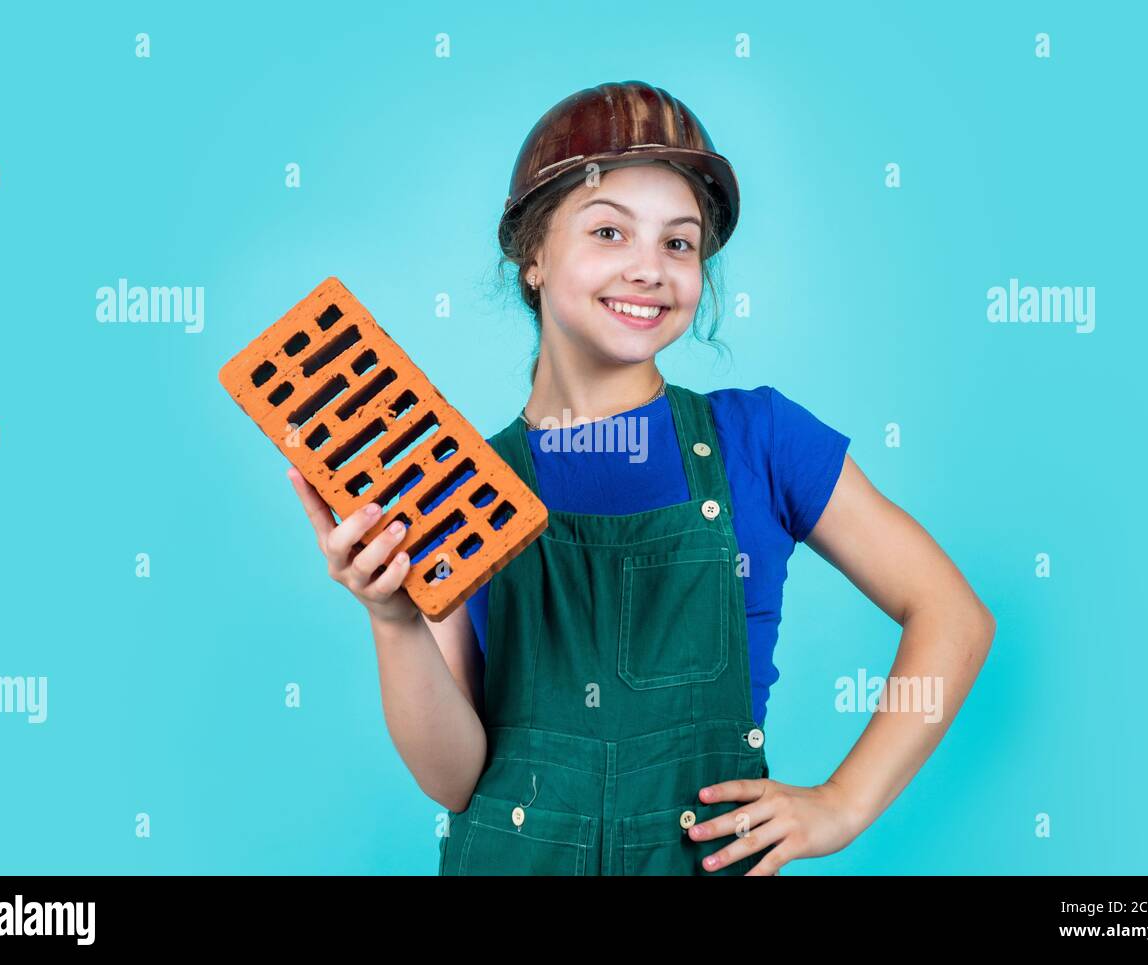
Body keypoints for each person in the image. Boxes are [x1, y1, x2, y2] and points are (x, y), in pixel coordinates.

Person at [287, 81, 997, 875]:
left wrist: (843, 802)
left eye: (678, 243)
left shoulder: (758, 440)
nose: (649, 269)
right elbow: (454, 778)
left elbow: (952, 616)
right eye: (609, 231)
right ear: (534, 258)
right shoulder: (457, 483)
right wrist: (393, 620)